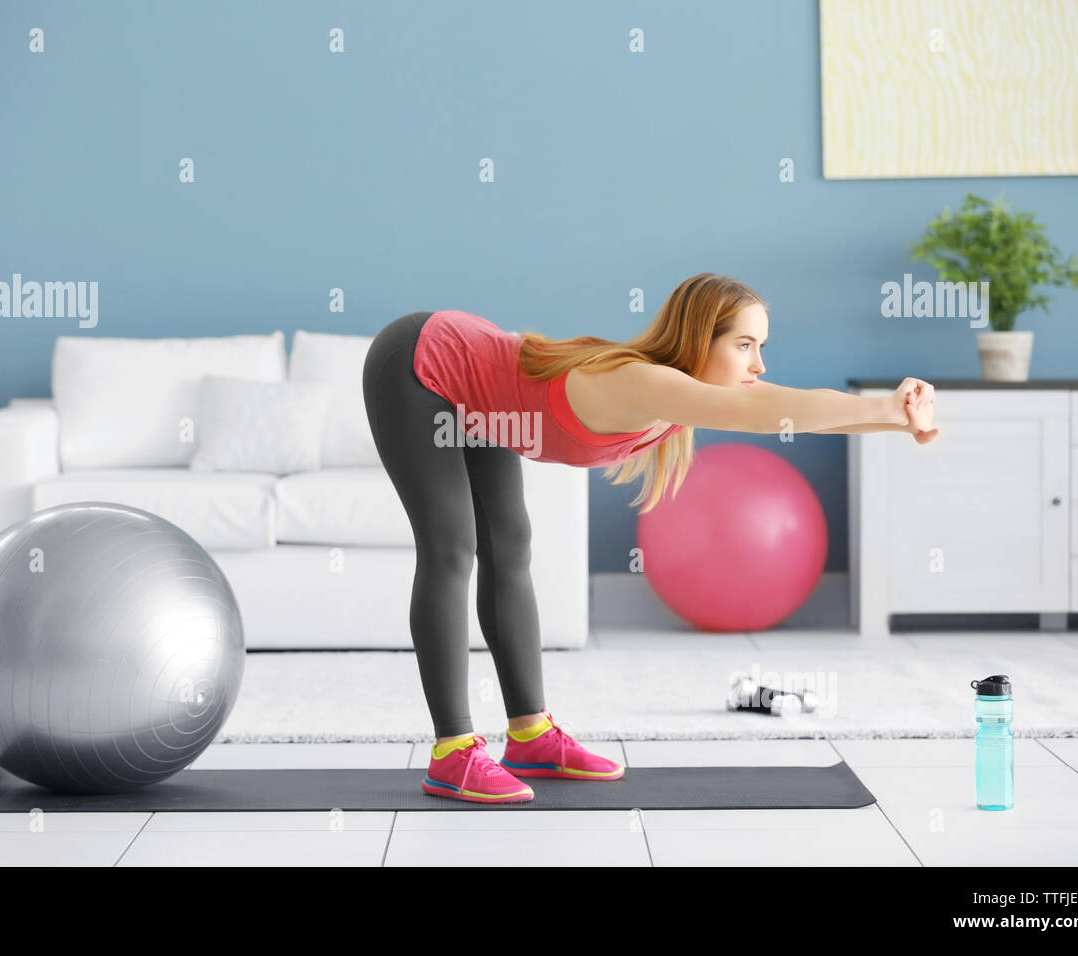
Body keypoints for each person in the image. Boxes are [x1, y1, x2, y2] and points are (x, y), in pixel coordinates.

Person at [360, 273, 937, 803]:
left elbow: (779, 405)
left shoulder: (675, 394)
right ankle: (453, 751)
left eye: (761, 347)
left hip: (477, 385)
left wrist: (898, 418)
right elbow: (770, 409)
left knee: (511, 545)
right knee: (451, 546)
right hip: (420, 364)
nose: (759, 363)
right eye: (744, 345)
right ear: (698, 339)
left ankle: (530, 735)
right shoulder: (641, 382)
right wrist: (884, 404)